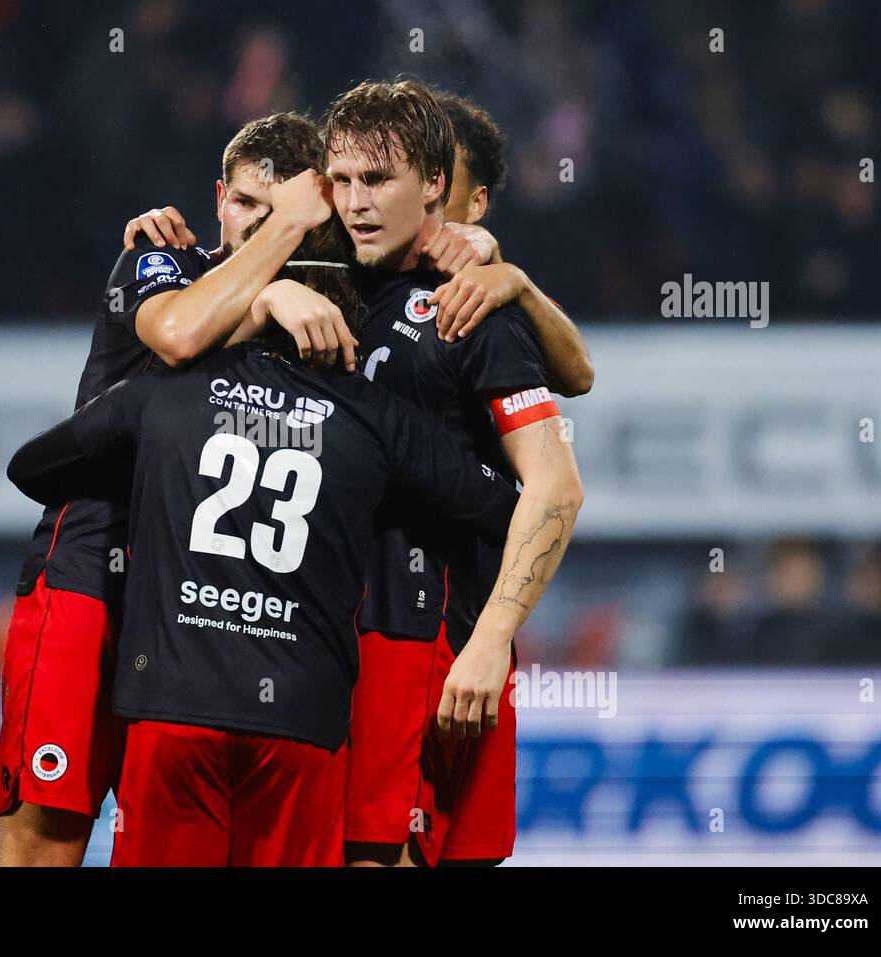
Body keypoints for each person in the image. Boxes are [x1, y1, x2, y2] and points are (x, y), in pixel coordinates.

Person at [6, 223, 521, 866]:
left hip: (172, 707)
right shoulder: (375, 417)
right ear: (346, 318)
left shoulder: (162, 393)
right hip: (301, 723)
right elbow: (503, 506)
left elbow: (31, 468)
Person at [0, 113, 346, 866]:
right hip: (92, 576)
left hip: (199, 620)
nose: (258, 224)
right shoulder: (159, 260)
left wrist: (480, 252)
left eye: (281, 208)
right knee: (48, 837)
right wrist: (269, 291)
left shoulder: (322, 304)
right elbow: (182, 334)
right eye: (248, 203)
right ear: (218, 197)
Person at [324, 80, 586, 867]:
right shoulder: (319, 284)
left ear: (440, 190)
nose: (355, 202)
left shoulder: (470, 306)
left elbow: (557, 483)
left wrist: (491, 643)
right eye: (342, 181)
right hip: (330, 642)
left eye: (378, 181)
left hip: (429, 642)